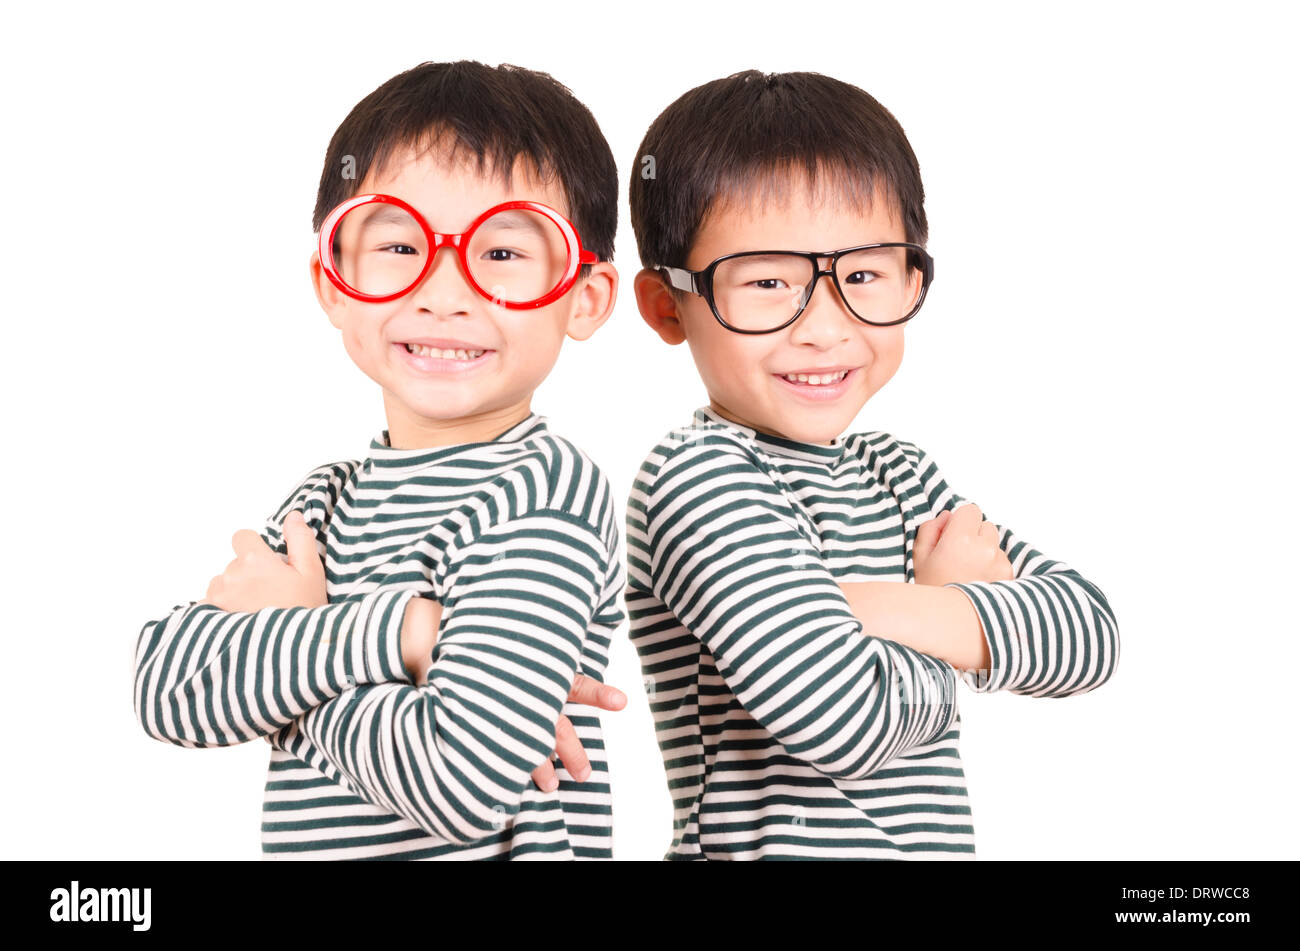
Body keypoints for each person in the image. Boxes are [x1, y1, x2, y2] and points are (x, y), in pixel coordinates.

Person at [134, 61, 627, 860]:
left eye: (502, 255)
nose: (442, 291)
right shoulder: (321, 501)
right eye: (398, 243)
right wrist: (400, 632)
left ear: (585, 298)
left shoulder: (547, 492)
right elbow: (168, 688)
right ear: (334, 283)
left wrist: (296, 639)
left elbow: (458, 779)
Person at [625, 70, 1120, 859]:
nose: (824, 326)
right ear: (667, 305)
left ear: (911, 278)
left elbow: (1088, 635)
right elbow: (845, 718)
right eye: (766, 282)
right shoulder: (697, 478)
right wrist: (953, 607)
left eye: (861, 275)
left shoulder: (900, 471)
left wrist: (845, 606)